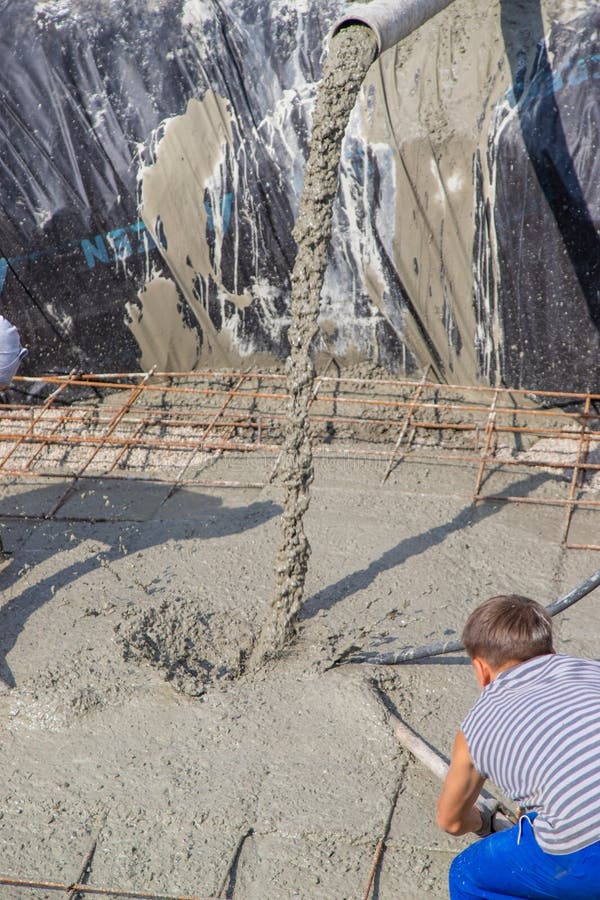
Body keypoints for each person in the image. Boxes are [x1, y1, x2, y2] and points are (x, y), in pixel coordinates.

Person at [437, 594, 600, 899]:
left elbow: (451, 820)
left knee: (468, 875)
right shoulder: (591, 671)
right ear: (551, 651)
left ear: (481, 669)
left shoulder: (476, 726)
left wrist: (482, 820)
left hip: (588, 850)